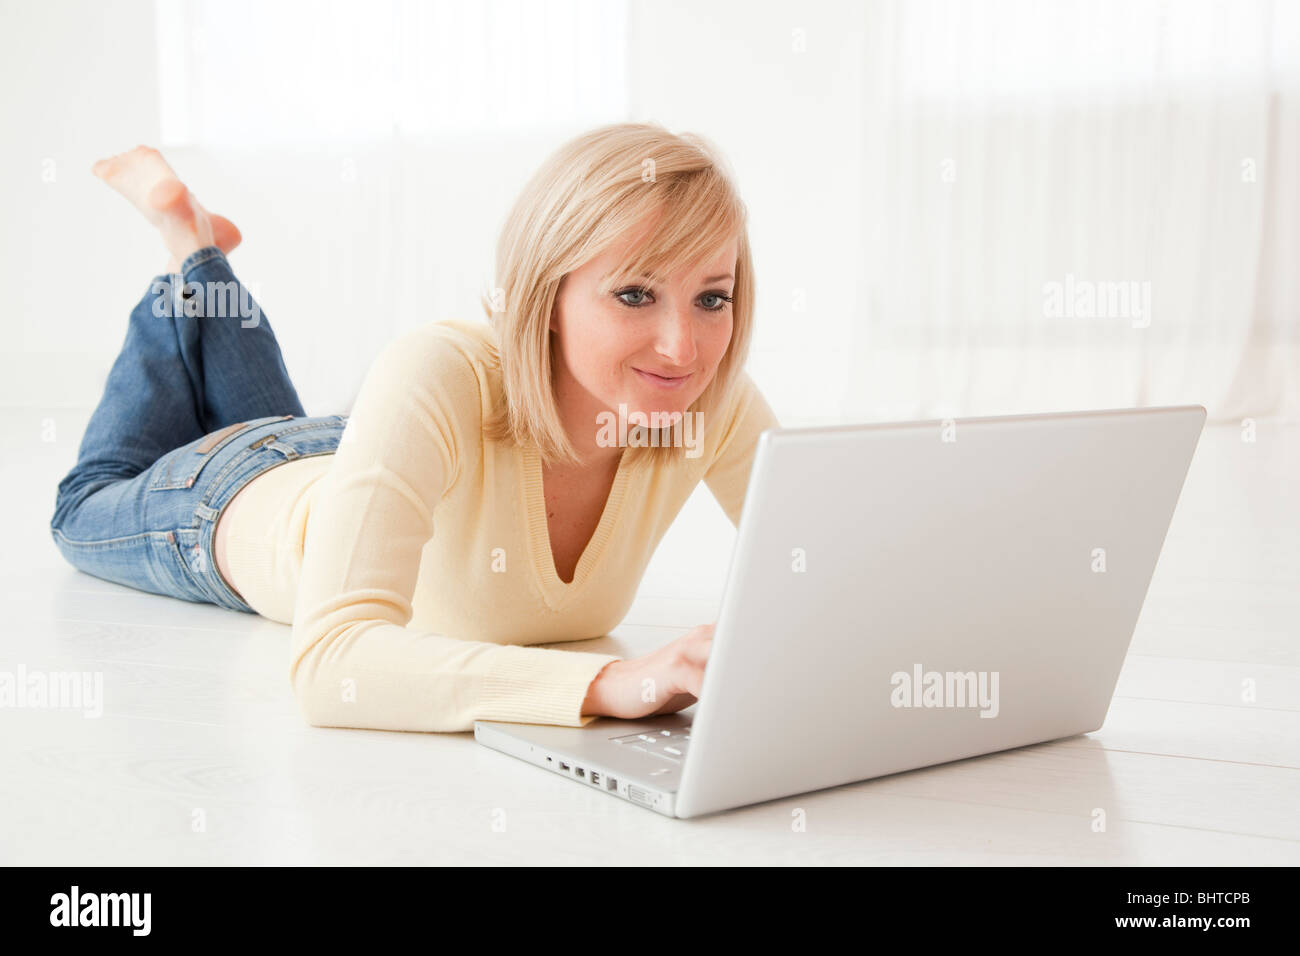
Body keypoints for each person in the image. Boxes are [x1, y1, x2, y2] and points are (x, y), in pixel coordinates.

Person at [50, 122, 779, 734]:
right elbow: (334, 664)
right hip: (227, 499)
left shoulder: (706, 406)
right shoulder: (438, 371)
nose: (683, 348)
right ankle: (182, 256)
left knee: (275, 421)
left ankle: (198, 247)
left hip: (353, 452)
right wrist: (611, 683)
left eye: (712, 299)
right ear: (543, 292)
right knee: (83, 504)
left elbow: (825, 565)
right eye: (634, 294)